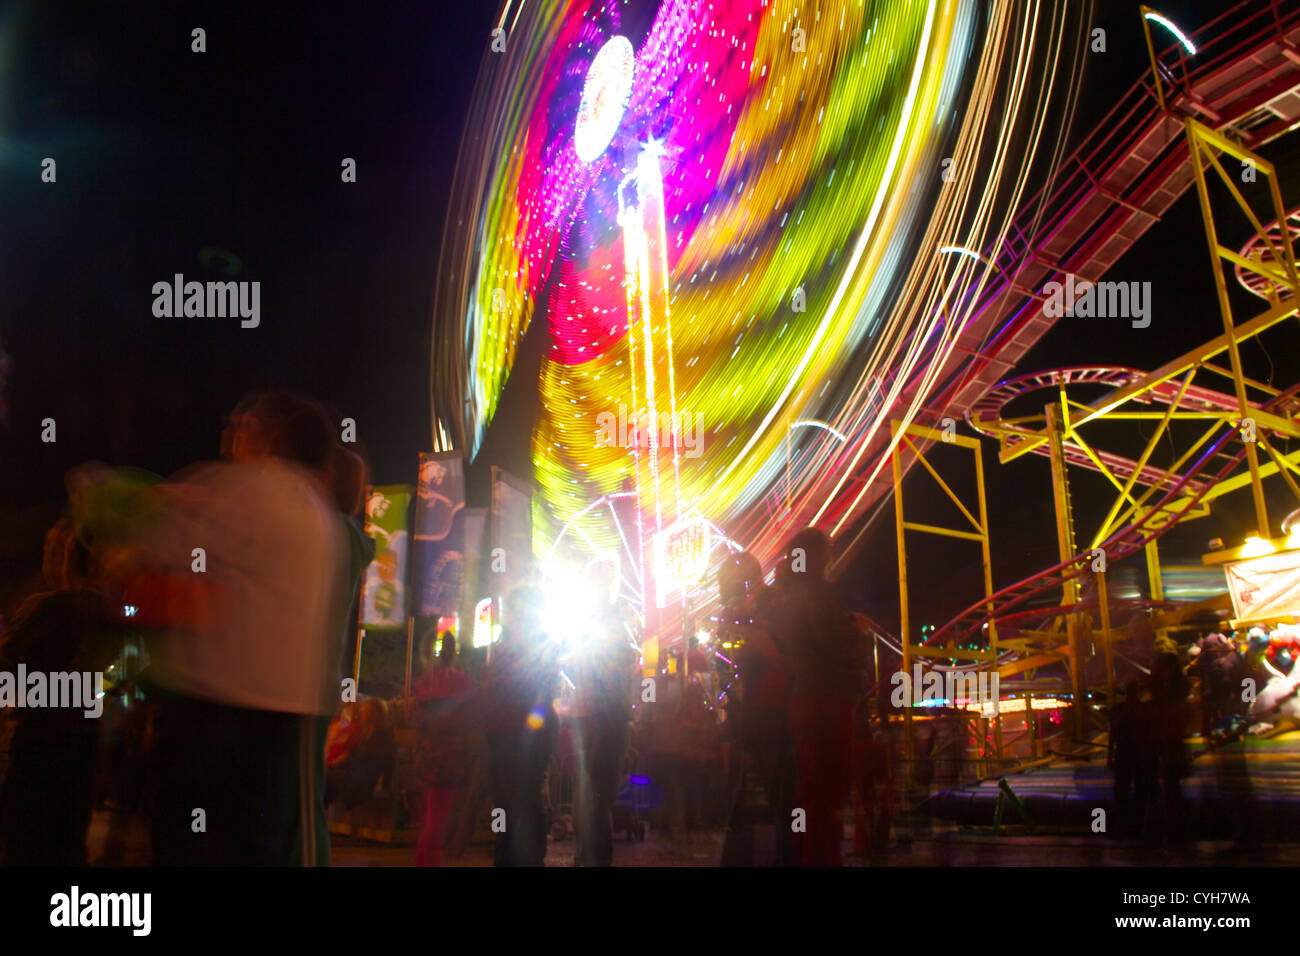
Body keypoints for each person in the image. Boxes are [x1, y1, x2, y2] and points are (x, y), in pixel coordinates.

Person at [121, 390, 352, 865]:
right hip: (285, 723)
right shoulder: (322, 521)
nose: (230, 432)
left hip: (212, 716)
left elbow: (157, 583)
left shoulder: (236, 492)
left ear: (270, 434)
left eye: (241, 422)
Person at [0, 520, 120, 865]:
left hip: (35, 746)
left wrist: (24, 695)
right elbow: (124, 675)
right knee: (67, 845)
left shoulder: (45, 608)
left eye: (49, 549)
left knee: (22, 845)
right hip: (85, 746)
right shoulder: (111, 615)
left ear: (64, 557)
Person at [777, 527, 867, 866]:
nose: (831, 555)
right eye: (827, 549)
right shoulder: (817, 593)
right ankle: (822, 857)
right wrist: (858, 635)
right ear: (816, 556)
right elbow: (832, 639)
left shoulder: (789, 596)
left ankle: (807, 852)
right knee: (829, 790)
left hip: (804, 696)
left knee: (811, 787)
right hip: (827, 699)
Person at [482, 587, 560, 866]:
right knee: (517, 802)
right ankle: (513, 854)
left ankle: (515, 855)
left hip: (515, 737)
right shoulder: (528, 647)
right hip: (512, 736)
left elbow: (544, 693)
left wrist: (531, 730)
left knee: (516, 802)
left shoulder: (524, 648)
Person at [567, 596, 638, 866]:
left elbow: (610, 702)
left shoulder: (610, 658)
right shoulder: (607, 655)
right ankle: (589, 855)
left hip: (603, 728)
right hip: (598, 727)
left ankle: (592, 857)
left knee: (594, 801)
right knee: (592, 801)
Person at [412, 632, 477, 866]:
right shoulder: (461, 682)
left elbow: (417, 715)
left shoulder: (426, 681)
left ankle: (426, 860)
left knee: (431, 814)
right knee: (439, 816)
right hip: (449, 754)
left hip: (428, 751)